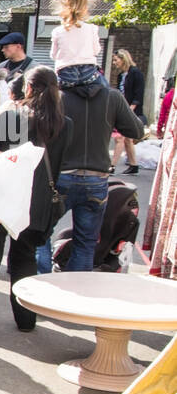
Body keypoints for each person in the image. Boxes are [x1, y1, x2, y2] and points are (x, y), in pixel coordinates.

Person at [0, 66, 73, 334]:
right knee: (25, 259)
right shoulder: (64, 125)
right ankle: (26, 320)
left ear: (30, 89)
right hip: (39, 202)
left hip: (5, 197)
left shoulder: (12, 118)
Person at [58, 60, 146, 271]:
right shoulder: (112, 97)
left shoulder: (58, 97)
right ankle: (76, 296)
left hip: (61, 175)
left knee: (37, 236)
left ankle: (44, 287)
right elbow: (136, 131)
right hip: (96, 177)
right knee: (86, 243)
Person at [50, 0, 105, 91]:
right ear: (85, 7)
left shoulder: (57, 31)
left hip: (66, 75)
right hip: (89, 74)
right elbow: (96, 51)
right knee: (107, 92)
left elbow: (53, 55)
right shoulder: (92, 28)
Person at [111, 48, 145, 174]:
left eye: (116, 60)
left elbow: (138, 94)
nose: (114, 63)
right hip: (122, 109)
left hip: (131, 110)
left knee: (119, 138)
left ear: (123, 58)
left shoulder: (136, 73)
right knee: (127, 139)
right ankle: (134, 165)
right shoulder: (121, 76)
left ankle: (112, 166)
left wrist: (130, 110)